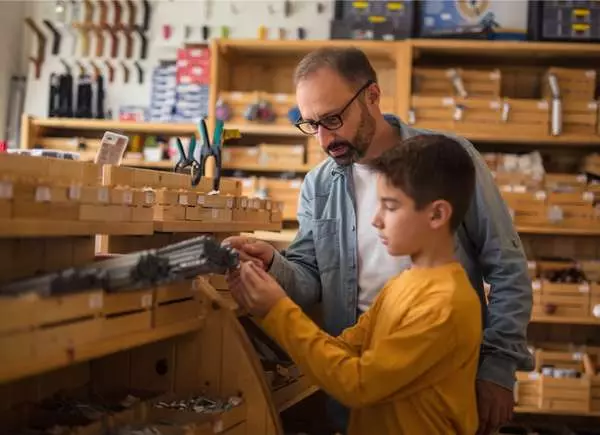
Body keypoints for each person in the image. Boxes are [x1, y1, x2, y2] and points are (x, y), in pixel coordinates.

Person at [224, 47, 533, 435]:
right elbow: (309, 279)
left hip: (432, 383)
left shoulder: (445, 161)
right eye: (311, 124)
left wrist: (498, 368)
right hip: (355, 376)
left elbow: (506, 266)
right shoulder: (319, 184)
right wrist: (272, 263)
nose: (323, 139)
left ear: (372, 95)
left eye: (333, 119)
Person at [229, 134, 482, 435]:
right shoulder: (402, 284)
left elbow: (357, 383)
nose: (375, 220)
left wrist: (276, 309)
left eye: (389, 206)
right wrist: (264, 294)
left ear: (437, 214)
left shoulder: (445, 304)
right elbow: (341, 349)